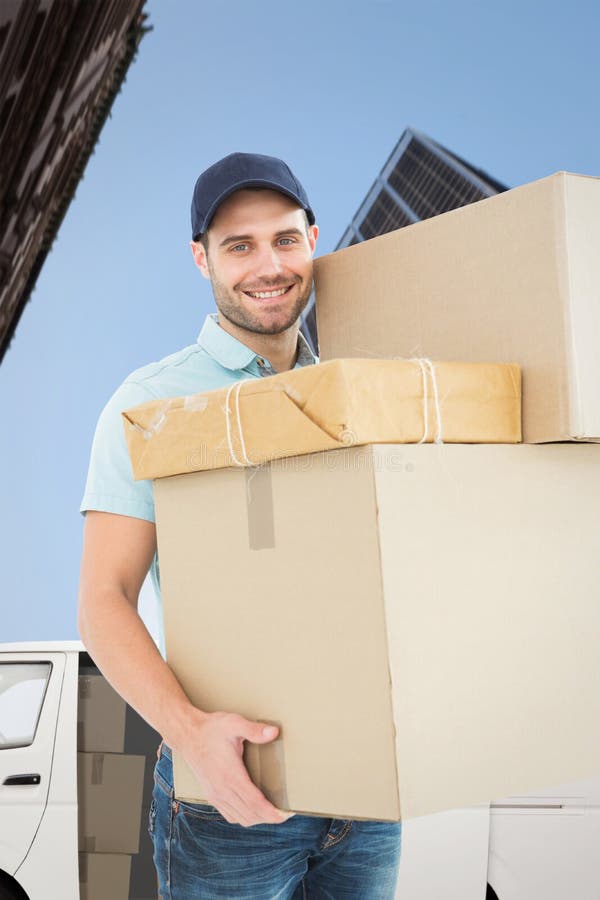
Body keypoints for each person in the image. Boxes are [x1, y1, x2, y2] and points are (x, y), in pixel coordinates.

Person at [78, 152, 402, 899]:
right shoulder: (152, 403)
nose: (269, 265)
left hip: (365, 794)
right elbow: (103, 599)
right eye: (239, 245)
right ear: (202, 260)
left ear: (314, 240)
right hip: (231, 795)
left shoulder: (352, 394)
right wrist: (192, 737)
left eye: (285, 240)